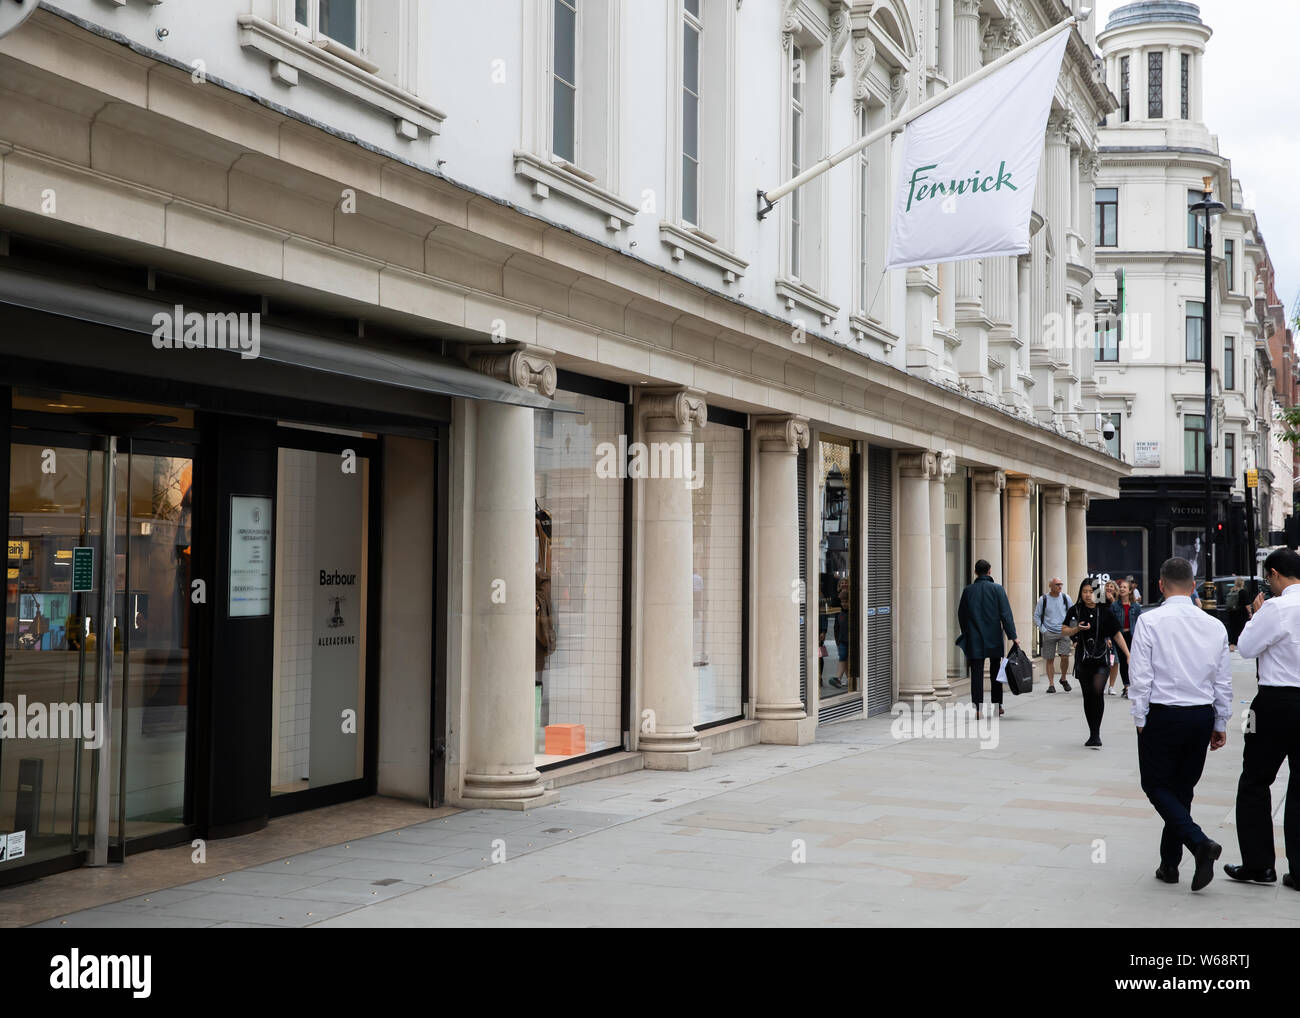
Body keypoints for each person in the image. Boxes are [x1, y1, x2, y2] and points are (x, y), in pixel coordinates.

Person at [1128, 557, 1232, 892]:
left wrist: (1140, 717)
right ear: (1193, 587)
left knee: (1156, 786)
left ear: (1160, 585)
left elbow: (1140, 675)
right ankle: (1169, 865)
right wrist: (1220, 720)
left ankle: (1199, 843)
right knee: (1181, 789)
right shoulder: (1214, 626)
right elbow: (1223, 681)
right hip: (1199, 714)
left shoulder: (1150, 620)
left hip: (1163, 712)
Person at [1224, 548, 1300, 890]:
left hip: (1274, 701)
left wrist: (1255, 615)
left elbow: (1247, 647)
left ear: (1273, 574)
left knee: (1255, 780)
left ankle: (1259, 864)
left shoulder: (1276, 606)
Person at [1062, 578, 1128, 747]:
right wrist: (1077, 630)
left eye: (1091, 592)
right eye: (1085, 592)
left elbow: (1116, 633)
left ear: (1097, 593)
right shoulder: (1075, 610)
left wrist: (1128, 654)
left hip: (1101, 659)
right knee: (1088, 695)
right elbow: (1064, 630)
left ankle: (1096, 733)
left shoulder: (1105, 611)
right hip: (1083, 659)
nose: (1088, 595)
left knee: (1097, 692)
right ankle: (1092, 732)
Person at [957, 559, 1018, 719]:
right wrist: (1013, 637)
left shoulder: (968, 591)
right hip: (993, 637)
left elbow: (961, 615)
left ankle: (977, 709)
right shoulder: (997, 589)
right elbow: (1006, 615)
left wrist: (966, 632)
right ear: (990, 571)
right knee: (996, 671)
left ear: (975, 572)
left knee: (976, 672)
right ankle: (997, 706)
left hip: (974, 637)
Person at [1033, 576, 1072, 694]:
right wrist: (1044, 630)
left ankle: (1063, 678)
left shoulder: (1066, 598)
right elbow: (1036, 616)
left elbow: (1073, 613)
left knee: (1065, 656)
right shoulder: (1043, 599)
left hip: (1064, 631)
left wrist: (1070, 628)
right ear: (1050, 586)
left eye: (1061, 584)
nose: (1060, 586)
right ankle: (1051, 684)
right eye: (1057, 584)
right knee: (1049, 659)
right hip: (1049, 632)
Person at [1108, 578, 1142, 699]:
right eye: (1120, 587)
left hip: (1132, 636)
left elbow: (1140, 623)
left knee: (1133, 662)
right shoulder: (1114, 606)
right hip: (1118, 637)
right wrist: (1108, 638)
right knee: (1123, 661)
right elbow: (1109, 623)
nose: (1122, 589)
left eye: (1124, 587)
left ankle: (1132, 685)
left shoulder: (1136, 607)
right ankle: (1127, 686)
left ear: (1129, 591)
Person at [1103, 580, 1121, 693]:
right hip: (1104, 634)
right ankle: (1103, 684)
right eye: (1107, 586)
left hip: (1115, 635)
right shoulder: (1100, 600)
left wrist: (1112, 600)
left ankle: (1111, 686)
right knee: (1105, 662)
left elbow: (1117, 616)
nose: (1109, 588)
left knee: (1114, 661)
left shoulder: (1117, 602)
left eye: (1111, 586)